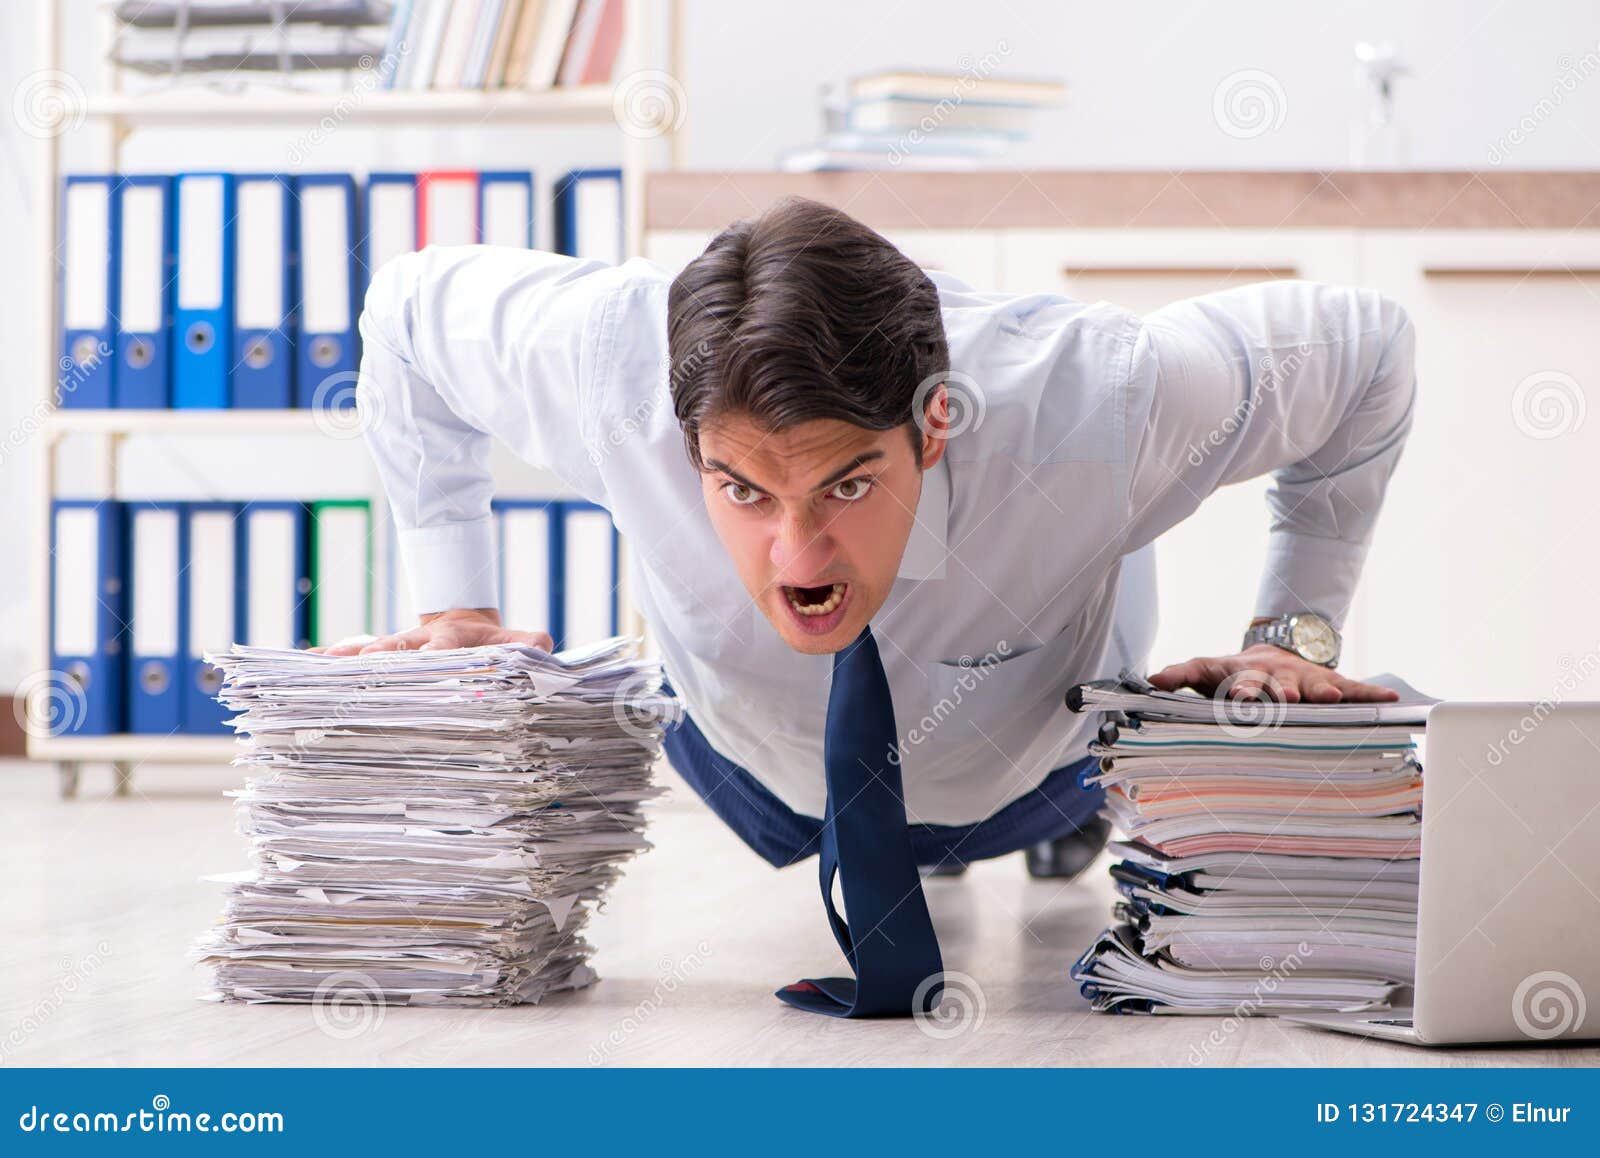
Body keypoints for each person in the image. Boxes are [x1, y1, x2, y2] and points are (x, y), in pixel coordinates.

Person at [334, 195, 1415, 1017]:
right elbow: (407, 306)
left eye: (847, 485)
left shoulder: (1103, 395)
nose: (798, 555)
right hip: (750, 770)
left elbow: (1369, 345)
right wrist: (454, 601)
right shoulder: (604, 365)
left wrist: (1291, 635)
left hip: (1038, 771)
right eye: (743, 491)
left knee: (1056, 724)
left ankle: (1058, 829)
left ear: (933, 425)